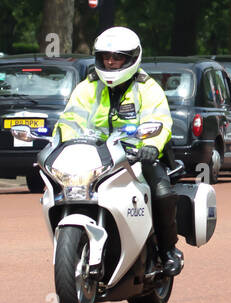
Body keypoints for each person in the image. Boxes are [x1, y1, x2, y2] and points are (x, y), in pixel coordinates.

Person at [54, 27, 182, 277]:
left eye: (117, 57)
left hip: (137, 155)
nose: (110, 62)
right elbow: (69, 121)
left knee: (162, 191)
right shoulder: (87, 88)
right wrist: (64, 145)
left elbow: (160, 120)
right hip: (95, 155)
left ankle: (168, 250)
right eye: (105, 57)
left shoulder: (147, 88)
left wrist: (150, 146)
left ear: (132, 58)